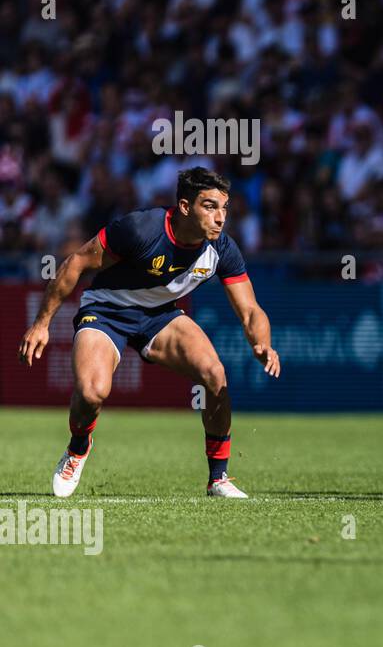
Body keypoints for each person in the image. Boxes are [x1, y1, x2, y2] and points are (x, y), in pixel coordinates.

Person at [17, 166, 280, 499]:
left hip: (160, 316)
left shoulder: (222, 250)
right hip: (106, 311)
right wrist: (42, 323)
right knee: (92, 393)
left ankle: (218, 478)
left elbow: (251, 310)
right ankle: (78, 448)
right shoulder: (142, 228)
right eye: (210, 206)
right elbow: (77, 263)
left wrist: (262, 344)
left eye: (224, 208)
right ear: (185, 207)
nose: (220, 217)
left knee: (214, 374)